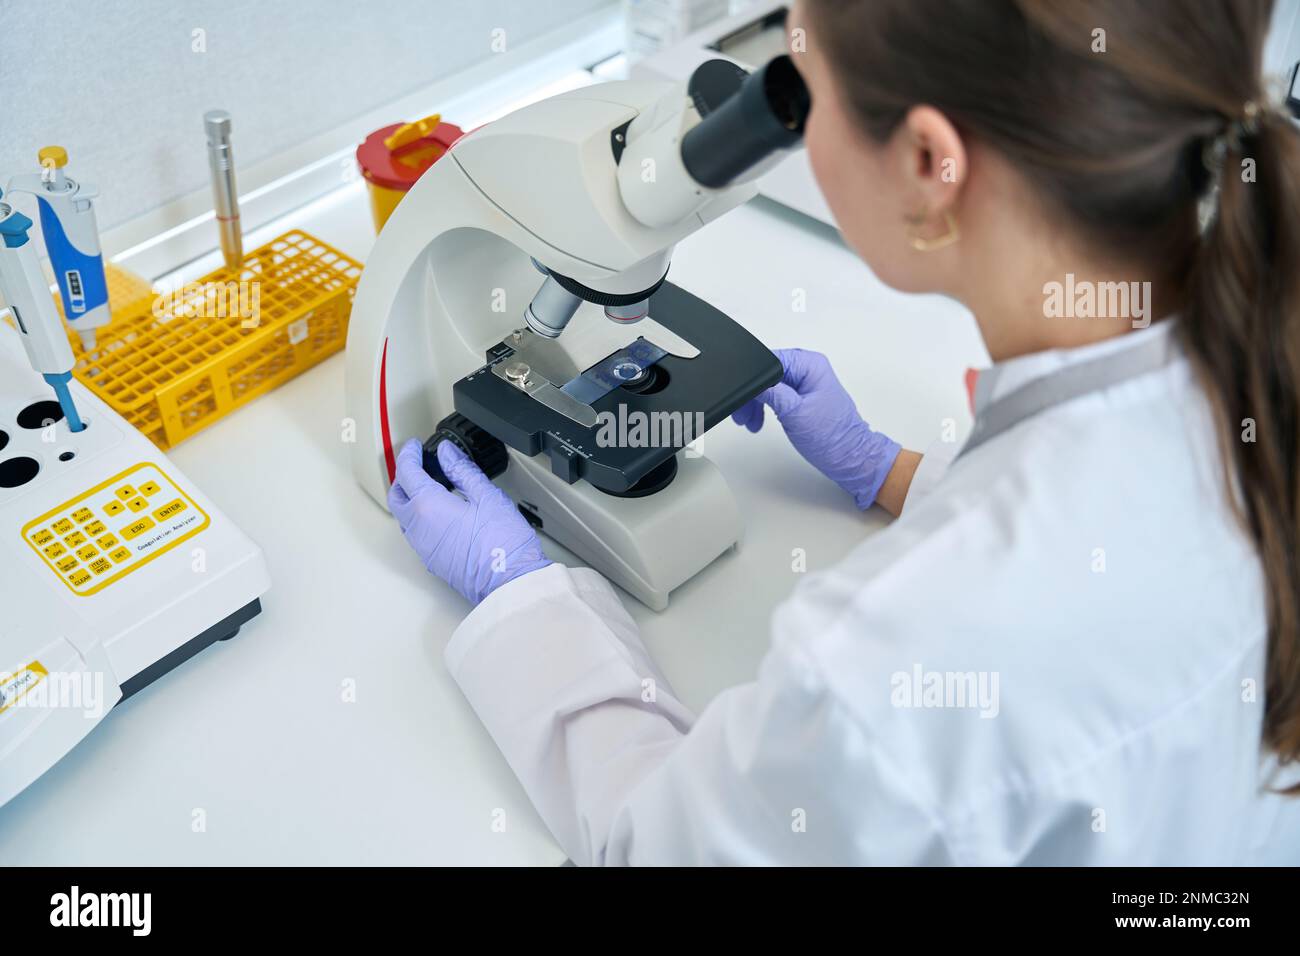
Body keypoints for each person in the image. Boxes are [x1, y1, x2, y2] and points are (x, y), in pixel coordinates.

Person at [386, 0, 1300, 864]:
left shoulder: (893, 662)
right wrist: (898, 472)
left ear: (928, 162)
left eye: (798, 89)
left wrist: (526, 606)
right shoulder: (1259, 368)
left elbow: (656, 846)